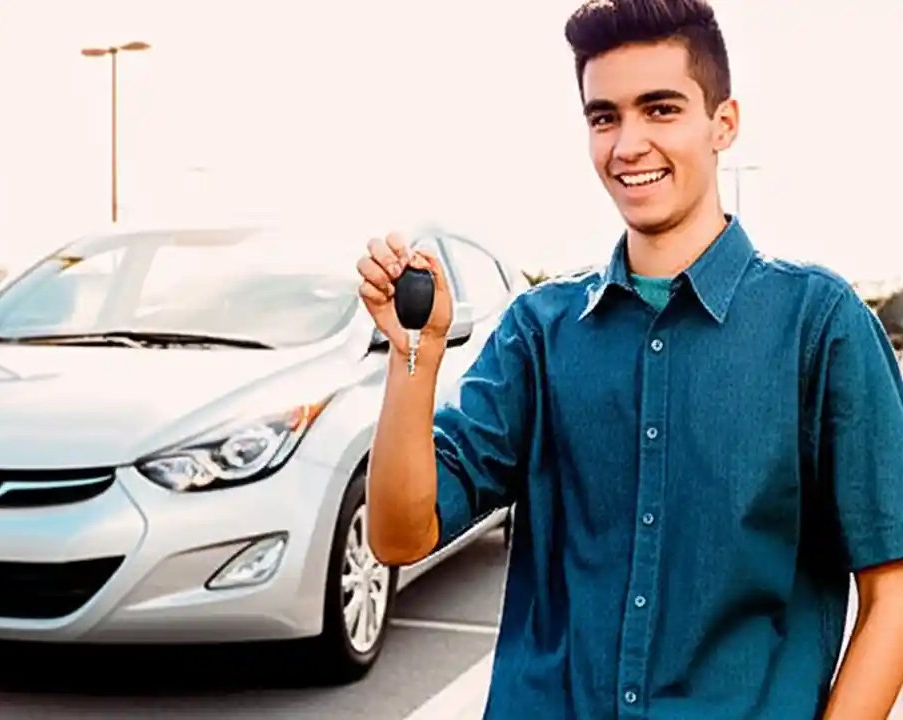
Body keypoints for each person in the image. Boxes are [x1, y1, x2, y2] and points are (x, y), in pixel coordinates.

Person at [357, 0, 903, 717]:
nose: (627, 144)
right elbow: (400, 537)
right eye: (604, 117)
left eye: (661, 109)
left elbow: (892, 593)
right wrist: (412, 359)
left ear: (723, 124)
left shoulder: (821, 326)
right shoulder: (539, 334)